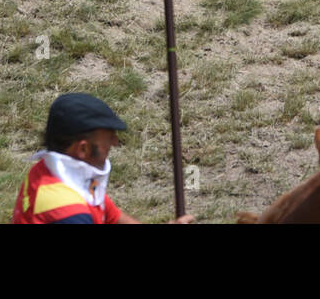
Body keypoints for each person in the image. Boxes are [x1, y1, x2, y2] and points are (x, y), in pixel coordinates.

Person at [12, 92, 194, 224]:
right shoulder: (68, 212)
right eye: (109, 137)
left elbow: (113, 216)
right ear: (83, 148)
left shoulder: (51, 171)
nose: (115, 142)